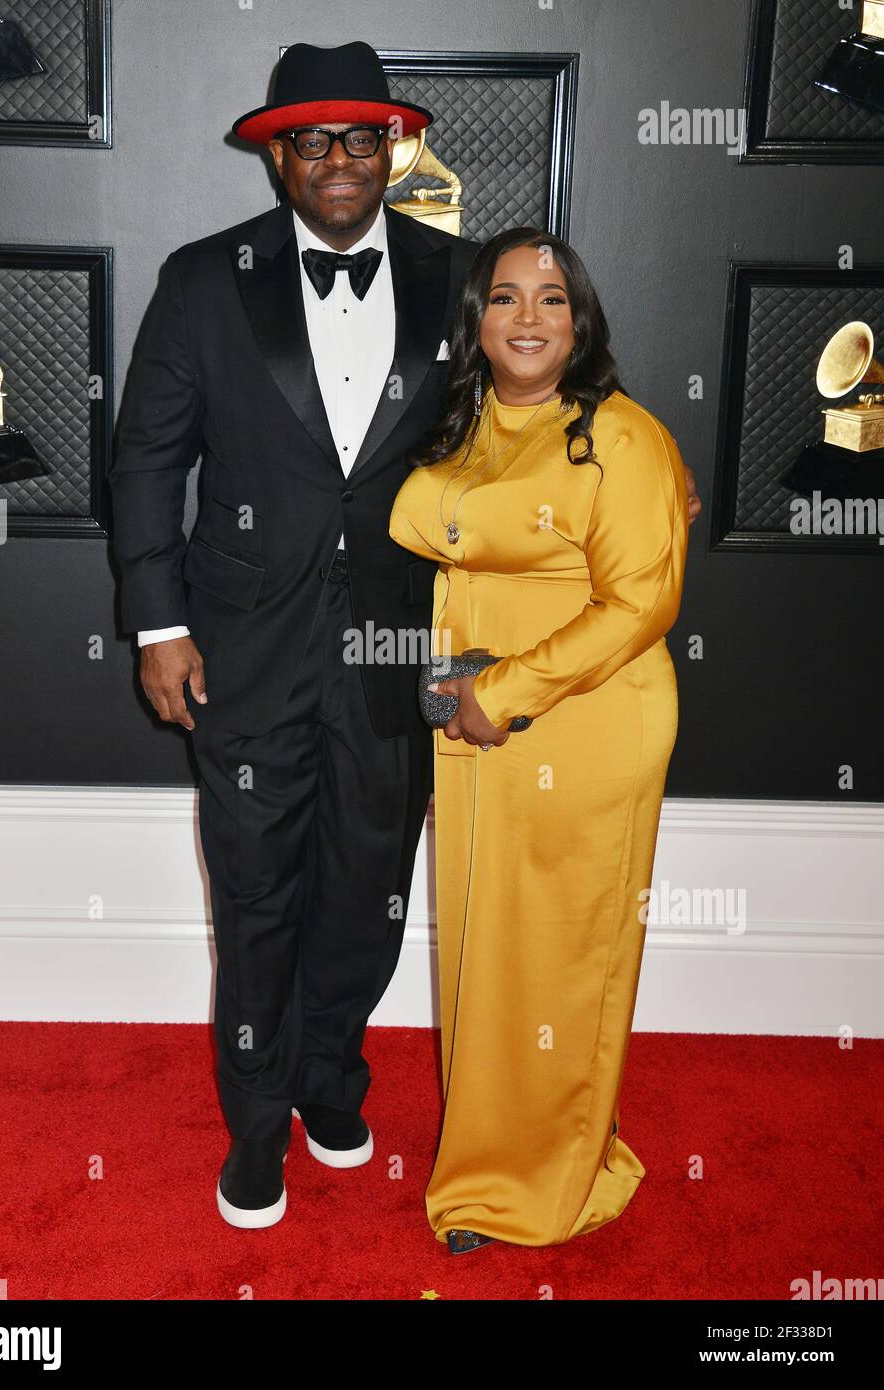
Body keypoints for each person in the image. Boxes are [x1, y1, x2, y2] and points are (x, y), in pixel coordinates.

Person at [109, 41, 478, 1229]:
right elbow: (148, 460)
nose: (334, 161)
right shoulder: (202, 279)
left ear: (392, 148)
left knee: (366, 889)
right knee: (257, 896)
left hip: (395, 656)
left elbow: (536, 405)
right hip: (239, 653)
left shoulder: (458, 277)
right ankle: (256, 1125)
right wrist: (157, 623)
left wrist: (640, 461)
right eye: (308, 140)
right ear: (278, 158)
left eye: (358, 137)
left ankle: (330, 1080)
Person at [389, 227, 690, 1252]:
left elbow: (639, 602)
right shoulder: (461, 424)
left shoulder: (622, 435)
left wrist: (506, 691)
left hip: (584, 721)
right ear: (474, 321)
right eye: (503, 297)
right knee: (487, 947)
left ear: (580, 320)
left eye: (551, 298)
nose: (526, 317)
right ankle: (487, 1160)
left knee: (562, 959)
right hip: (479, 728)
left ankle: (536, 1180)